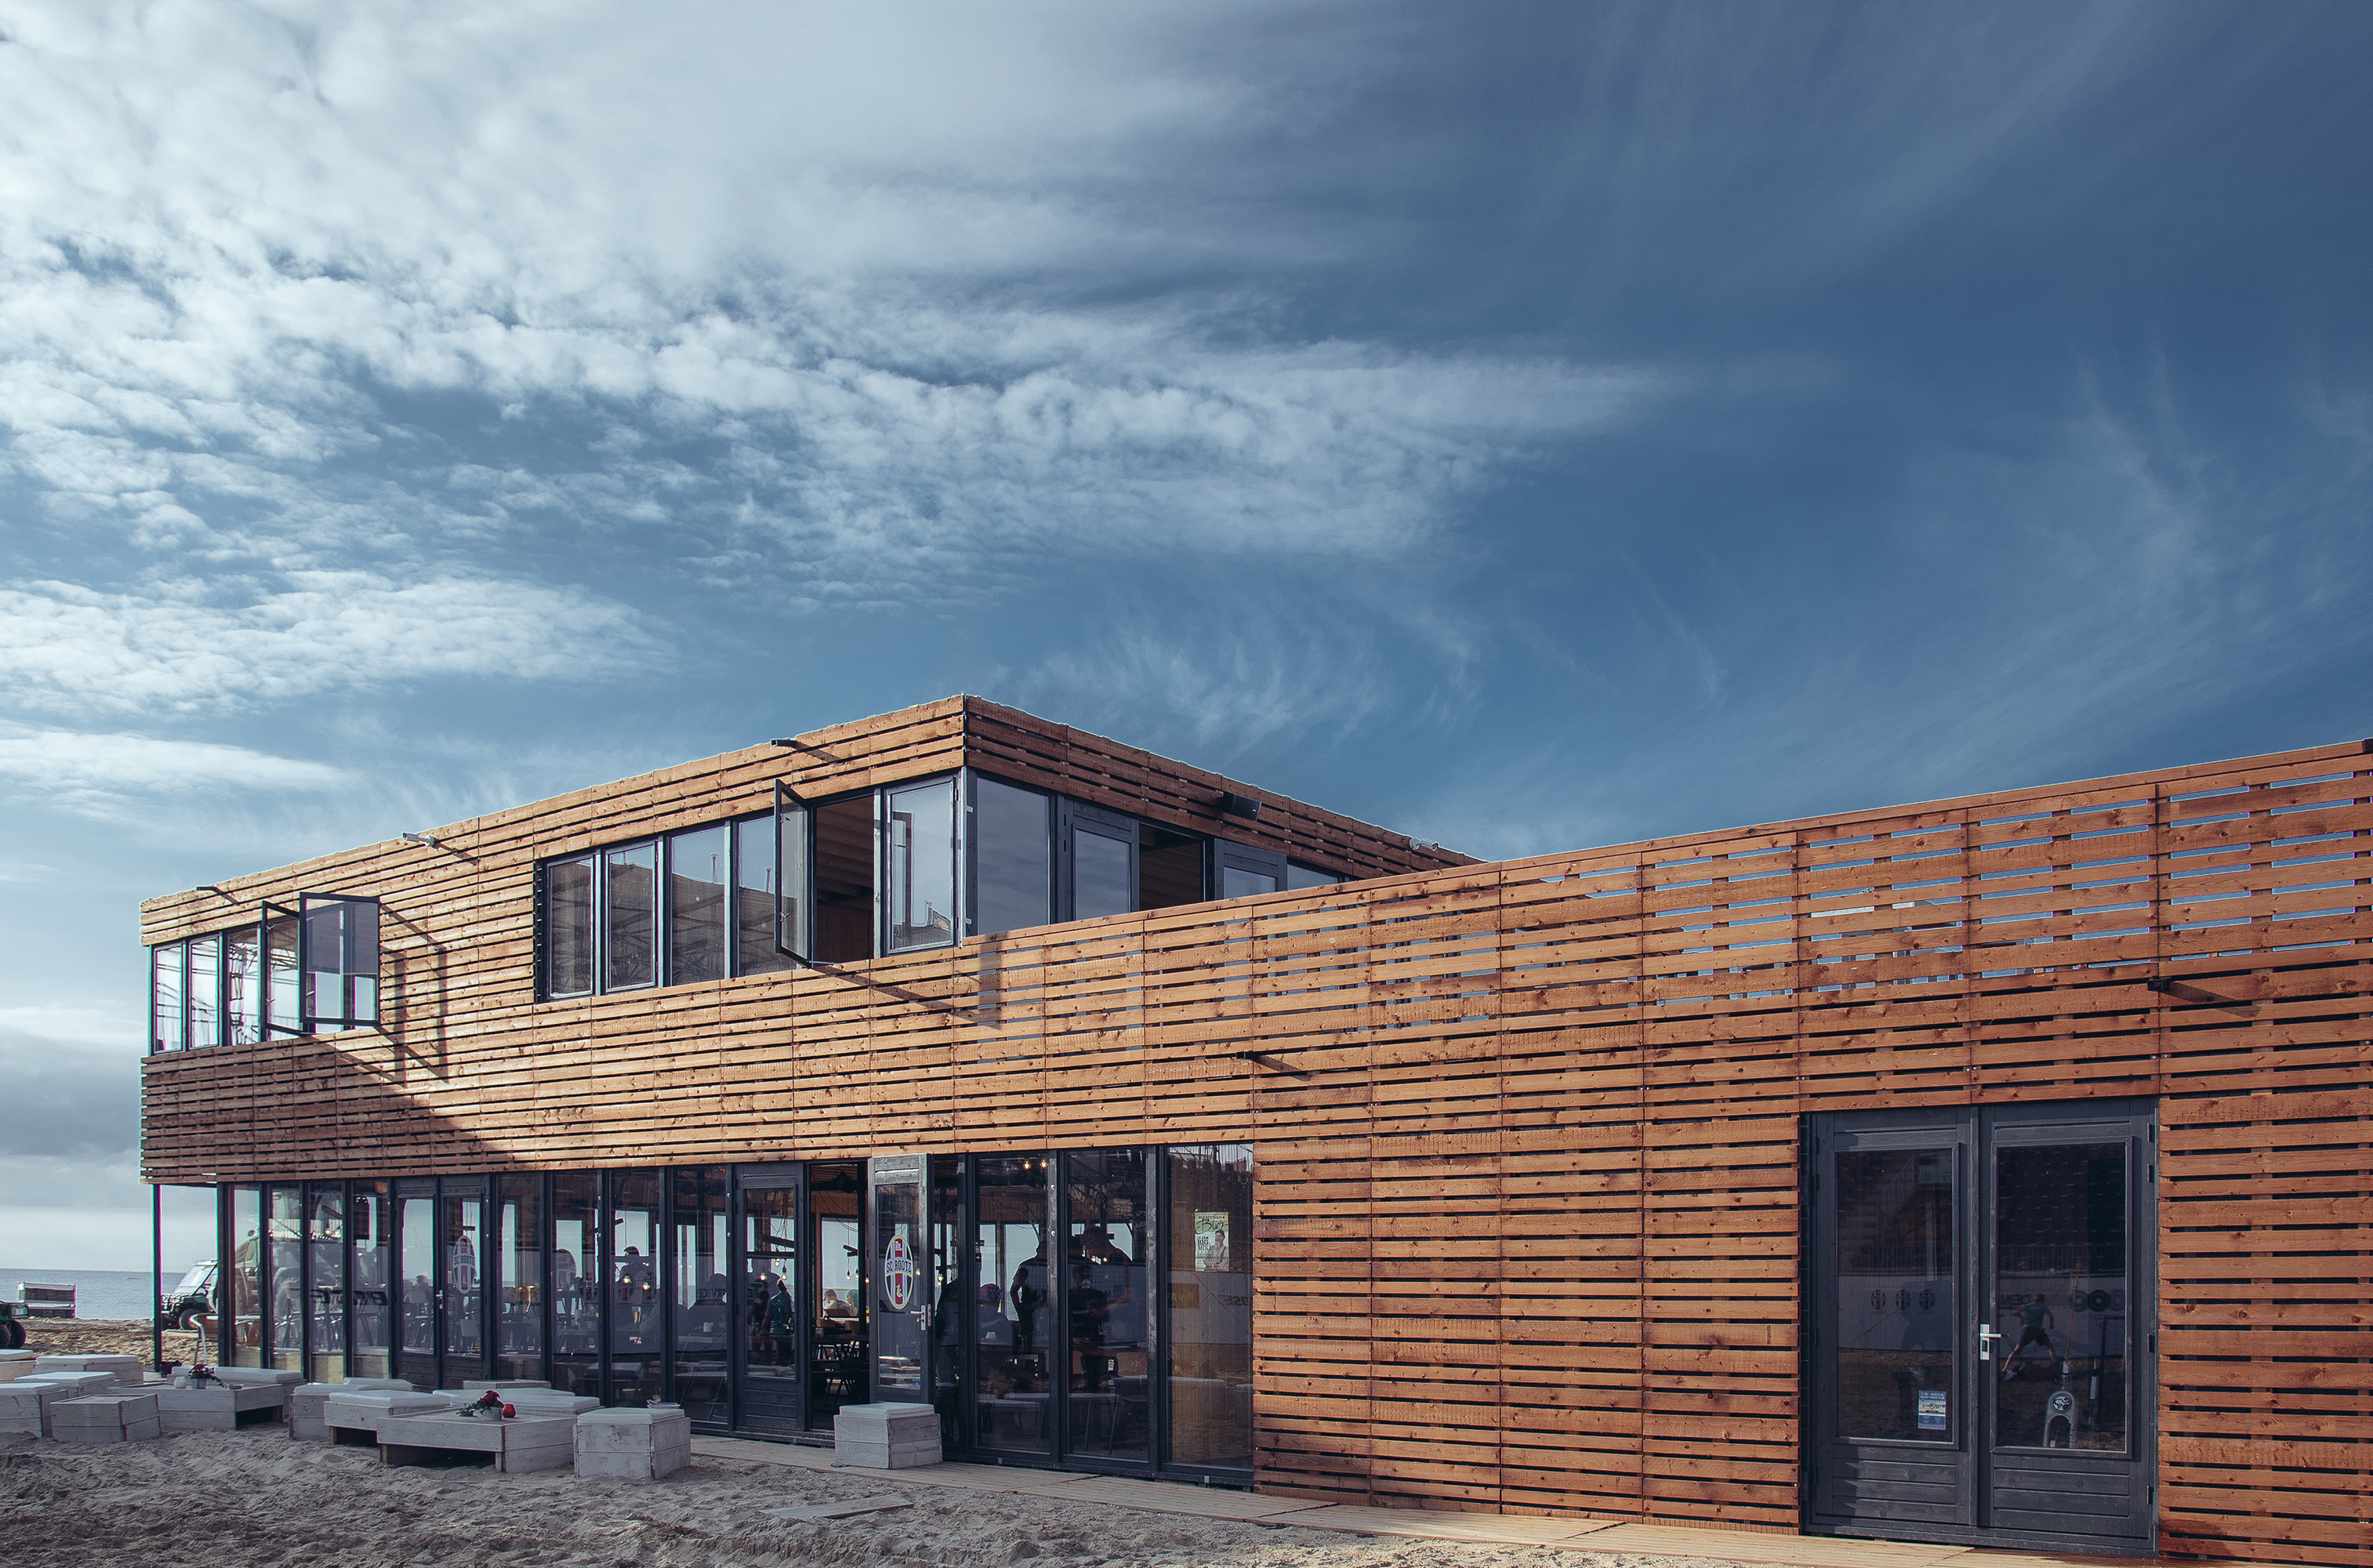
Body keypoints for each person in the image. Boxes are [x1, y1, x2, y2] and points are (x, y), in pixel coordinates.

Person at [2001, 1293, 2056, 1381]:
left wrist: (2022, 1318)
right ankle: (2055, 1363)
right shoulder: (2043, 1307)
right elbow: (2051, 1316)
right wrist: (2051, 1325)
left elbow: (2015, 1312)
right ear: (2042, 1300)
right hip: (2037, 1330)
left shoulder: (2028, 1306)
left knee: (2018, 1348)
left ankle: (2006, 1367)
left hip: (2027, 1329)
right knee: (2050, 1347)